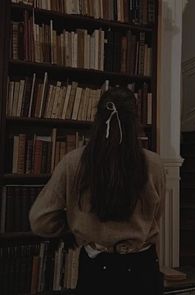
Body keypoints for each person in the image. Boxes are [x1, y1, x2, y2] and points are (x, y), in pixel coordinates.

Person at [29, 86, 166, 295]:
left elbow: (40, 220)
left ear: (98, 119)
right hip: (143, 267)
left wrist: (75, 226)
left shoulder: (73, 162)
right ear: (135, 122)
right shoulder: (155, 164)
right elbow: (156, 215)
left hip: (97, 268)